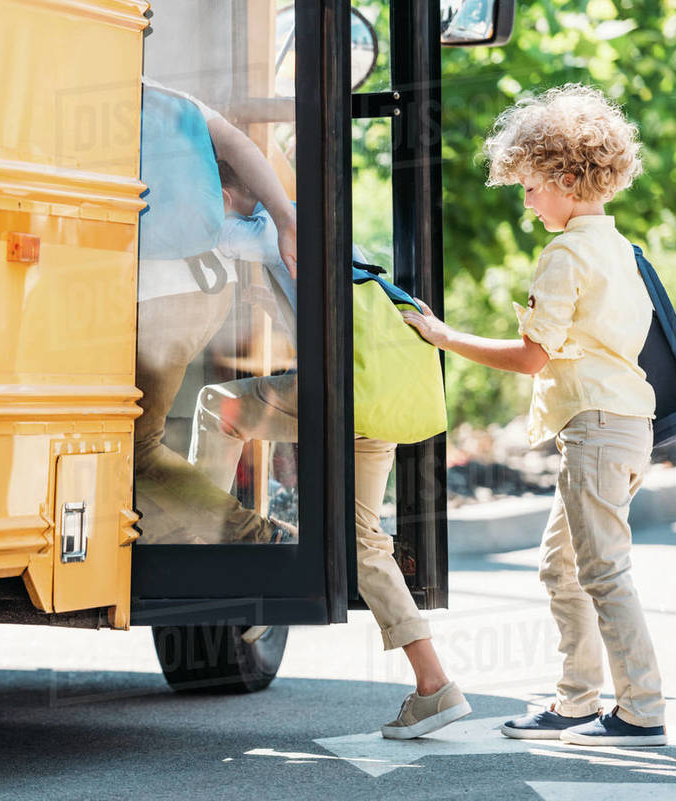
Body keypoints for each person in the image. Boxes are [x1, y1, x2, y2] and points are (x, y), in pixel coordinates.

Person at [402, 84, 667, 746]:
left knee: (602, 570)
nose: (525, 202)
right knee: (562, 566)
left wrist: (441, 335)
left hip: (598, 430)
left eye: (529, 186)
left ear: (568, 176)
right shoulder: (619, 250)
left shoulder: (566, 254)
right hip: (623, 427)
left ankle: (641, 709)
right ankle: (576, 700)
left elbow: (530, 357)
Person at [191, 161, 472, 740]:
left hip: (337, 391)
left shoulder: (267, 227)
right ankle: (434, 685)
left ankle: (212, 540)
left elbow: (196, 231)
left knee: (218, 408)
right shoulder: (335, 232)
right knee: (367, 542)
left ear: (226, 191)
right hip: (377, 399)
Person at [134, 79, 296, 545]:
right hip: (210, 287)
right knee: (133, 444)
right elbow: (240, 145)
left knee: (137, 449)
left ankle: (258, 539)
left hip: (157, 296)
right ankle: (176, 548)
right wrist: (285, 220)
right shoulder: (174, 98)